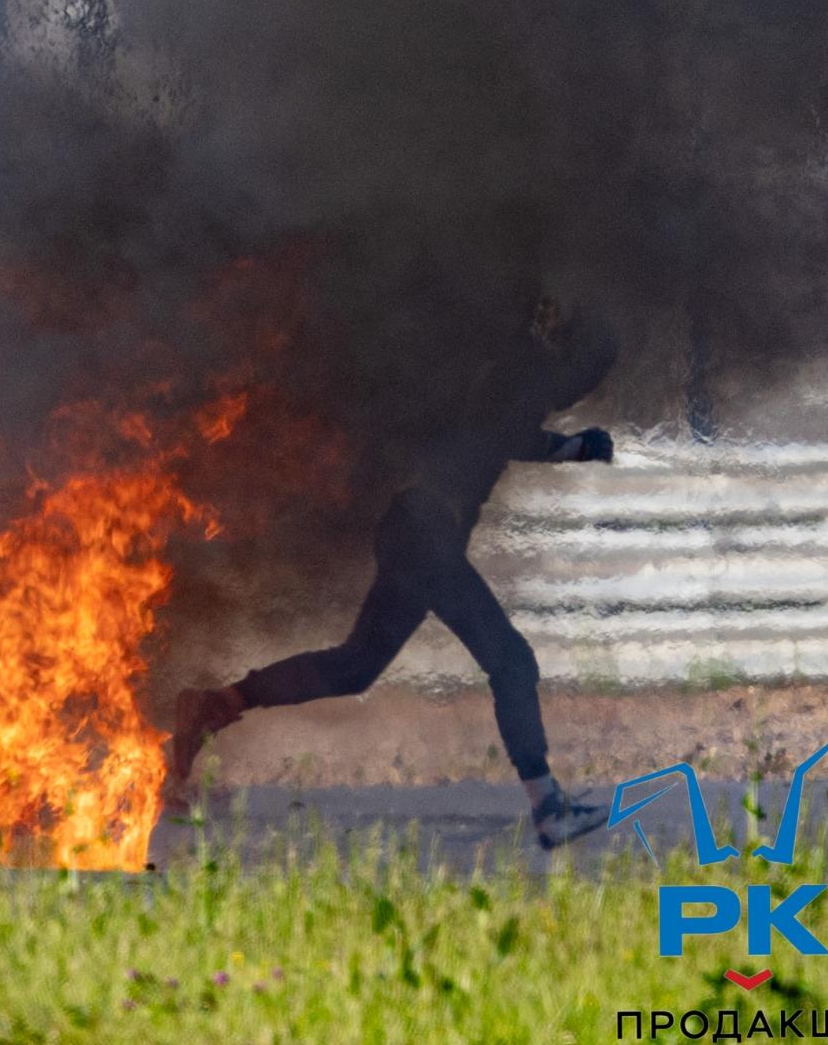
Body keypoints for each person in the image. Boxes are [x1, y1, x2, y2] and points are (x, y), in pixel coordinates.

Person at [171, 298, 617, 849]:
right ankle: (549, 808)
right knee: (511, 660)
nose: (581, 386)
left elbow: (499, 437)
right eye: (586, 370)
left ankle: (215, 705)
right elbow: (504, 436)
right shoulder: (518, 373)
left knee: (356, 667)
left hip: (415, 532)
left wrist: (572, 449)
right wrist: (574, 448)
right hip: (426, 538)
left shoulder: (506, 374)